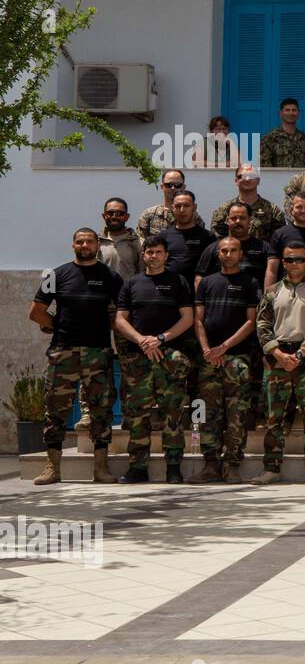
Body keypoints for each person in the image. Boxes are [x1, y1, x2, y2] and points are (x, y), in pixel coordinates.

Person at [28, 229, 122, 485]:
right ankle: (52, 468)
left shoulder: (110, 276)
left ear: (97, 245)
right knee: (55, 409)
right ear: (73, 246)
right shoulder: (55, 275)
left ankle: (101, 468)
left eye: (89, 241)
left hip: (98, 351)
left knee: (101, 409)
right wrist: (55, 326)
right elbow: (36, 312)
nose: (85, 245)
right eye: (80, 241)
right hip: (63, 351)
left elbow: (123, 312)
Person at [114, 235, 194, 484]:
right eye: (149, 252)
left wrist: (160, 339)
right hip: (139, 358)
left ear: (166, 255)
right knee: (138, 414)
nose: (154, 256)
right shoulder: (131, 284)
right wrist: (141, 340)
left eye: (159, 252)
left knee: (173, 413)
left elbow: (188, 318)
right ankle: (138, 467)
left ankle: (173, 467)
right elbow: (119, 319)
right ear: (143, 255)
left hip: (169, 357)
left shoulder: (178, 282)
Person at [251, 241, 305, 486]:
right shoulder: (272, 291)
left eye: (298, 259)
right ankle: (271, 468)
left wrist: (302, 354)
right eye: (288, 260)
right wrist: (277, 353)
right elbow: (262, 324)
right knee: (274, 417)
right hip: (277, 358)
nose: (293, 264)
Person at [190, 236, 259, 483]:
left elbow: (251, 322)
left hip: (237, 358)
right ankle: (210, 464)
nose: (228, 254)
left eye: (233, 250)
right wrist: (208, 349)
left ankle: (231, 464)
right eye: (224, 251)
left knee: (237, 413)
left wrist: (224, 347)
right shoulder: (206, 283)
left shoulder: (250, 282)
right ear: (218, 254)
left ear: (241, 254)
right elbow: (198, 319)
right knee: (208, 412)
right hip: (209, 359)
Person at [196, 202, 270, 286]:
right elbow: (200, 277)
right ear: (227, 220)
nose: (238, 221)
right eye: (234, 218)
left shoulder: (263, 247)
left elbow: (273, 275)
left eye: (242, 218)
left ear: (250, 220)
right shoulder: (213, 248)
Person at [160, 190, 215, 286]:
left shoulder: (208, 237)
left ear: (194, 207)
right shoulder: (163, 237)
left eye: (186, 206)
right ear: (172, 208)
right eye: (178, 206)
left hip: (198, 293)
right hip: (168, 291)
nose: (182, 210)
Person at [260, 97, 305, 168]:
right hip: (277, 178)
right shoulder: (270, 138)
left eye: (294, 110)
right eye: (287, 110)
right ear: (281, 113)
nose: (291, 113)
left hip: (300, 178)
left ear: (298, 113)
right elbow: (264, 165)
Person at [100, 198, 142, 279]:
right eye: (110, 213)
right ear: (104, 216)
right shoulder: (96, 243)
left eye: (119, 213)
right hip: (102, 291)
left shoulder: (139, 243)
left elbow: (144, 273)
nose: (114, 217)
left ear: (127, 217)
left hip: (129, 291)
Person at [137, 169, 185, 239]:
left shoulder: (192, 216)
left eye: (178, 185)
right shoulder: (149, 215)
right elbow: (141, 243)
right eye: (169, 185)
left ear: (183, 187)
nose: (173, 188)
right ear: (162, 187)